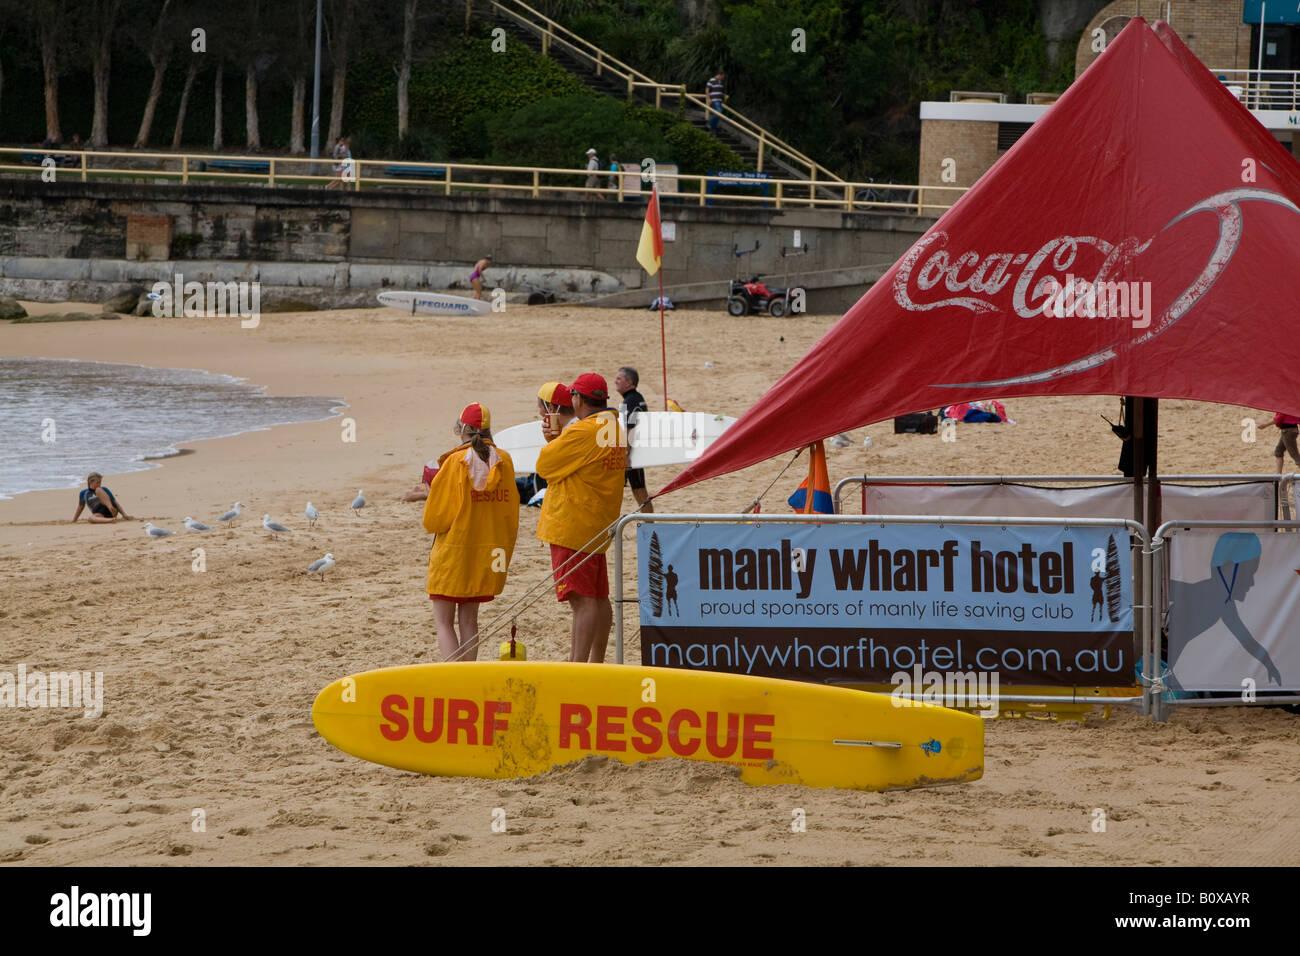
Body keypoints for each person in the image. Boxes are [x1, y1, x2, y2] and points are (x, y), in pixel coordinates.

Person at [536, 373, 627, 663]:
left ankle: (578, 665)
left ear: (577, 399)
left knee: (581, 600)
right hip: (598, 521)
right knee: (598, 598)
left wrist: (552, 439)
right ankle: (596, 663)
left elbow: (545, 466)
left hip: (573, 523)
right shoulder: (614, 427)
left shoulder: (583, 431)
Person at [422, 403, 519, 662]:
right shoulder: (504, 461)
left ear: (462, 429)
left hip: (454, 552)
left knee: (443, 622)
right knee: (469, 620)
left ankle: (454, 677)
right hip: (486, 552)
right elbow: (510, 513)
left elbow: (434, 519)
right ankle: (468, 673)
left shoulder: (455, 463)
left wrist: (432, 490)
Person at [614, 366, 653, 513]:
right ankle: (649, 521)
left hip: (632, 453)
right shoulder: (638, 398)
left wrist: (626, 455)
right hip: (636, 450)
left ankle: (650, 523)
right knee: (639, 490)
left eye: (619, 378)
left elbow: (630, 430)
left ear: (629, 383)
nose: (615, 381)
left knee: (639, 491)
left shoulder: (629, 402)